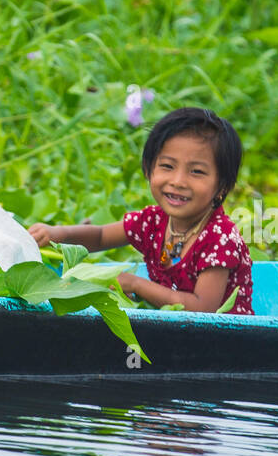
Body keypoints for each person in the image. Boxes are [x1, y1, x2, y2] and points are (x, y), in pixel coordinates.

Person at [29, 107, 253, 314]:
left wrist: (137, 285)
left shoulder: (220, 238)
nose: (178, 181)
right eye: (167, 166)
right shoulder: (153, 221)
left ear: (222, 186)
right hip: (174, 329)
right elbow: (100, 235)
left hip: (223, 340)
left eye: (196, 172)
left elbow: (203, 309)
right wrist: (58, 235)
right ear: (148, 168)